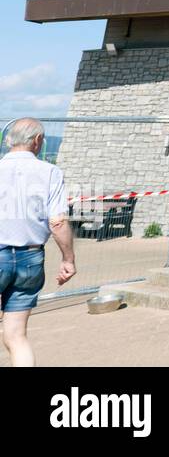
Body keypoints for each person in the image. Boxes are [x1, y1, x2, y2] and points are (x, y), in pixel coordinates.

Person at [0, 119, 75, 367]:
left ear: (9, 140)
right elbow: (57, 223)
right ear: (37, 141)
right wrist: (68, 259)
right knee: (16, 335)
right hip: (30, 259)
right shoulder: (50, 172)